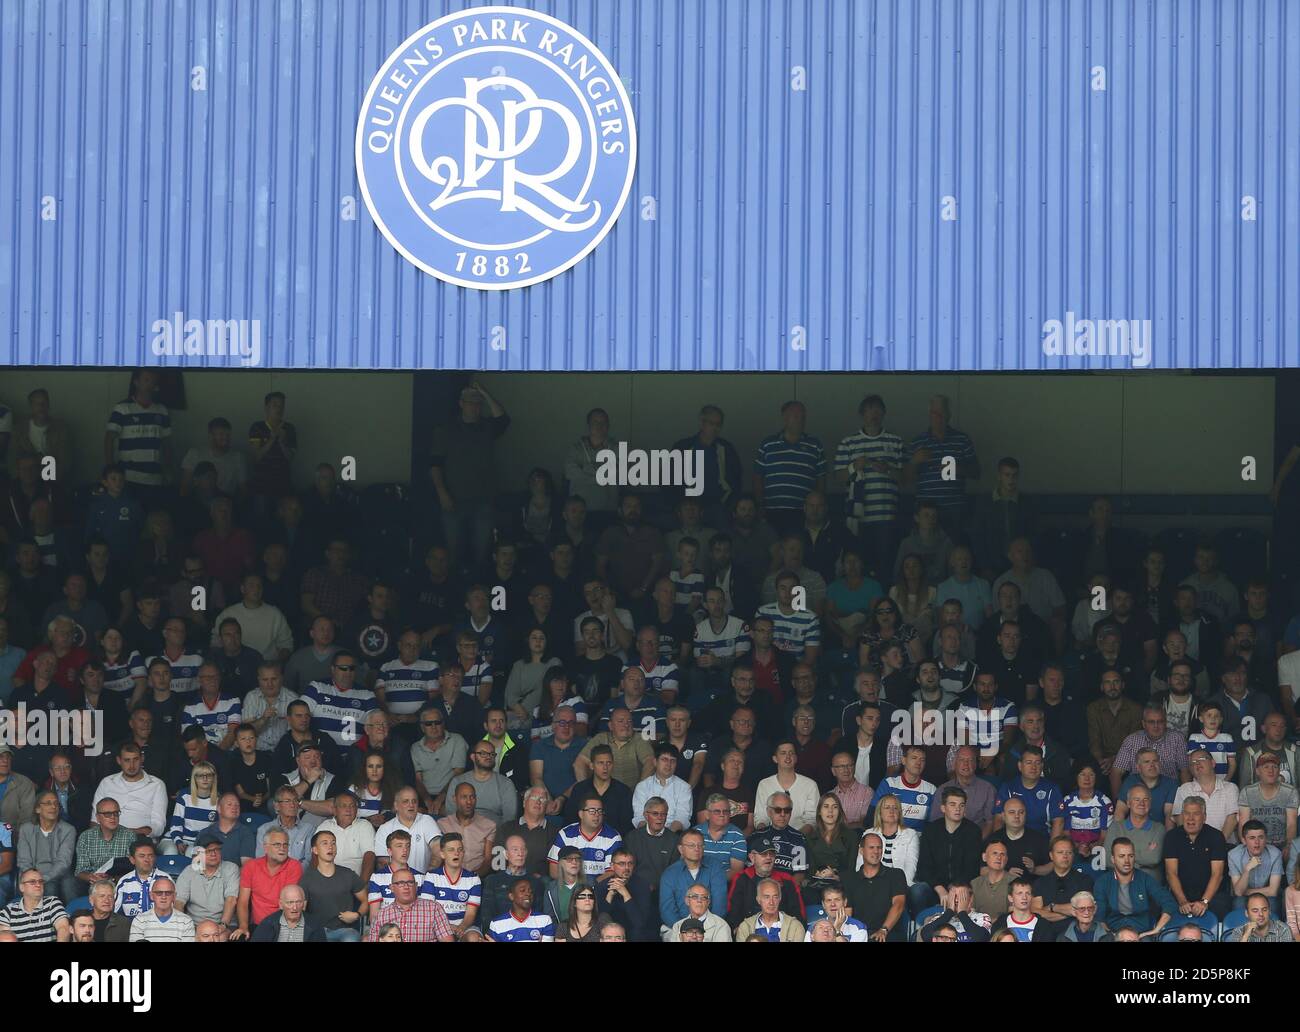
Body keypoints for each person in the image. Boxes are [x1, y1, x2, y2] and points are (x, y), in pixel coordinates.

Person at [1165, 796, 1231, 920]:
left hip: (1211, 895)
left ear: (1204, 817)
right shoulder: (1172, 837)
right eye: (1187, 813)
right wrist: (1182, 901)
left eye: (1196, 814)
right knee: (1166, 907)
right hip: (1181, 894)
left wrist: (1204, 902)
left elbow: (1217, 874)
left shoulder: (1216, 836)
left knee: (1221, 906)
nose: (1190, 818)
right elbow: (1171, 873)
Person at [916, 787, 982, 910]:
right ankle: (921, 924)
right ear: (943, 808)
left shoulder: (973, 831)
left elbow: (972, 867)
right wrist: (939, 888)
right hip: (935, 888)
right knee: (918, 891)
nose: (958, 809)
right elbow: (924, 867)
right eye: (952, 804)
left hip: (963, 887)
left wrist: (957, 887)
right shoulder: (931, 830)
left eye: (961, 805)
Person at [233, 828, 303, 939]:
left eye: (285, 845)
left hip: (284, 924)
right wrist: (243, 926)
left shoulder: (294, 866)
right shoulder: (251, 866)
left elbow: (288, 904)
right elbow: (243, 902)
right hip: (257, 925)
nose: (282, 848)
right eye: (277, 845)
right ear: (265, 848)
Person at [91, 741, 167, 844]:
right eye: (127, 760)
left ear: (142, 759)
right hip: (108, 840)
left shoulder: (157, 785)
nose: (131, 766)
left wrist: (127, 834)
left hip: (141, 841)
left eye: (135, 759)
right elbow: (95, 821)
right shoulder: (107, 782)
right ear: (119, 760)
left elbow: (158, 826)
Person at [299, 829, 367, 941]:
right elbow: (301, 911)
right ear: (315, 850)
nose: (330, 847)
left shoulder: (348, 874)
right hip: (317, 931)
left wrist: (357, 914)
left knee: (351, 938)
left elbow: (365, 900)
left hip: (344, 931)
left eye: (333, 843)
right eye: (324, 843)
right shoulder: (307, 878)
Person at [841, 830, 907, 941]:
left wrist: (884, 929)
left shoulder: (896, 875)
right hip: (859, 934)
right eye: (871, 848)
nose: (876, 851)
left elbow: (899, 904)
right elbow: (848, 913)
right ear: (861, 851)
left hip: (889, 934)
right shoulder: (850, 879)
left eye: (879, 848)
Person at [16, 789, 77, 902]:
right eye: (48, 803)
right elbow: (24, 861)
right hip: (32, 874)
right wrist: (35, 879)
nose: (53, 807)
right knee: (46, 888)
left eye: (56, 803)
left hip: (59, 874)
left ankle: (73, 917)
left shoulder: (68, 830)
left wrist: (45, 878)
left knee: (67, 884)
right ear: (37, 809)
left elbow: (64, 862)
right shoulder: (26, 829)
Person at [752, 740, 820, 834]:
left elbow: (812, 819)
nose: (788, 756)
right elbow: (760, 817)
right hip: (771, 840)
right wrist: (765, 836)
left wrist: (795, 838)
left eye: (791, 753)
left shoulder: (810, 785)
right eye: (783, 753)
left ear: (796, 758)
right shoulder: (764, 784)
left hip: (801, 839)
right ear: (775, 758)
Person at [174, 831, 240, 928]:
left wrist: (223, 924)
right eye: (209, 850)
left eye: (217, 849)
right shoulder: (189, 871)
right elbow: (178, 902)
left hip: (223, 924)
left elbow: (231, 900)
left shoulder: (231, 869)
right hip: (194, 925)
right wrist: (182, 926)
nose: (214, 854)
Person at [1102, 783, 1166, 879]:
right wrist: (1144, 855)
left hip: (1149, 887)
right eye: (1137, 799)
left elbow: (1153, 858)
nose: (1141, 803)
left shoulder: (1159, 828)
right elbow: (1107, 860)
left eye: (1145, 799)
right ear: (1128, 803)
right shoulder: (1115, 827)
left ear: (1150, 803)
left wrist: (1121, 857)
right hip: (1121, 885)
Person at [1173, 750, 1240, 840]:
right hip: (1194, 847)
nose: (1197, 763)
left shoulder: (1230, 788)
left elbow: (1232, 819)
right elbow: (1180, 820)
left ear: (1213, 763)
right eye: (1193, 762)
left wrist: (1218, 845)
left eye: (1201, 759)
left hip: (1225, 846)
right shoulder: (1184, 789)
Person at [374, 787, 443, 872]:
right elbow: (383, 863)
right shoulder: (385, 829)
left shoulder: (426, 820)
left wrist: (427, 878)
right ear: (396, 806)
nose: (411, 805)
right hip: (395, 882)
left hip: (424, 880)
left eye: (414, 801)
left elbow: (438, 851)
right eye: (406, 801)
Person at [1228, 820, 1284, 915]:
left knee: (1273, 903)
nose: (1257, 842)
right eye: (1252, 838)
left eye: (1261, 837)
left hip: (1268, 897)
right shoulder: (1233, 855)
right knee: (1239, 903)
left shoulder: (1275, 854)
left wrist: (1247, 891)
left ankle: (1271, 930)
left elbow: (1273, 891)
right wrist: (1247, 870)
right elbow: (1238, 892)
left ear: (1266, 839)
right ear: (1244, 840)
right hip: (1244, 898)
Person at [0, 868, 70, 941]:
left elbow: (63, 929)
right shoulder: (9, 910)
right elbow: (4, 937)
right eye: (32, 882)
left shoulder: (52, 902)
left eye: (40, 881)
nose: (38, 885)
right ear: (21, 887)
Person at [129, 875, 196, 941]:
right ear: (151, 895)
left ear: (174, 896)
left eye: (168, 893)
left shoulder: (186, 921)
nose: (163, 897)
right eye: (159, 893)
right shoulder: (139, 921)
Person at [487, 876, 555, 942]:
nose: (528, 893)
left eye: (530, 891)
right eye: (522, 890)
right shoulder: (496, 924)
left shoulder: (545, 920)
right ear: (511, 896)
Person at [1230, 891, 1294, 942]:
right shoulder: (1238, 932)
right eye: (1255, 910)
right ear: (1247, 913)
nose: (1260, 914)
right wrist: (1246, 936)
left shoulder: (1283, 929)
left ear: (1269, 911)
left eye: (1264, 910)